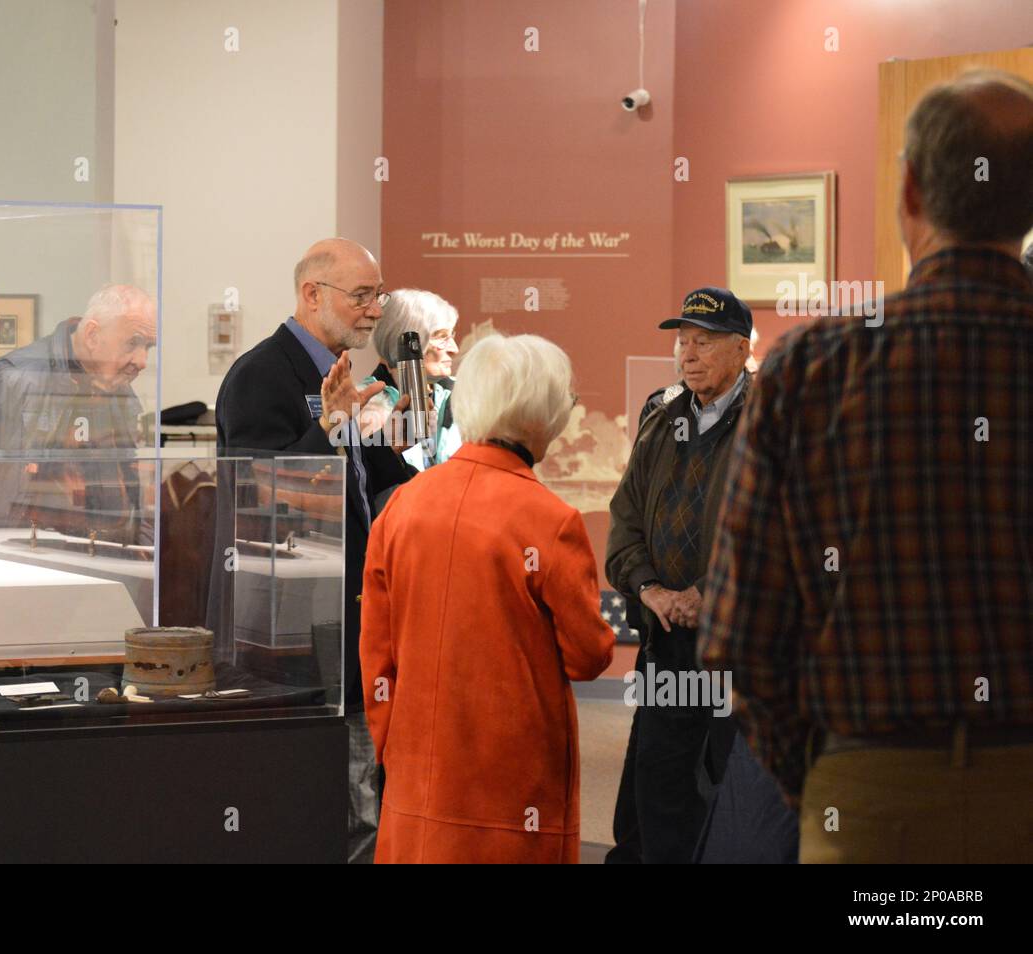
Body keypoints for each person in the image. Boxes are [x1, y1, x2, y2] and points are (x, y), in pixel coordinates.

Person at [700, 69, 1033, 864]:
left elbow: (740, 632)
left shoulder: (813, 366)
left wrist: (823, 776)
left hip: (871, 797)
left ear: (910, 190)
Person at [360, 332, 614, 863]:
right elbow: (588, 657)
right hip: (512, 777)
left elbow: (376, 653)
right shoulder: (551, 520)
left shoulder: (403, 506)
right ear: (541, 414)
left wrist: (392, 747)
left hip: (418, 770)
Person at [214, 237, 414, 863]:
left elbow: (381, 481)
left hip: (353, 620)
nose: (374, 310)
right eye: (361, 295)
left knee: (361, 795)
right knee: (323, 805)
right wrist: (325, 428)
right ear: (311, 294)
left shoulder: (339, 378)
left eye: (377, 295)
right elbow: (264, 497)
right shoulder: (260, 376)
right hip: (293, 636)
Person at [604, 287, 753, 864]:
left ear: (741, 348)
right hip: (667, 643)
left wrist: (707, 595)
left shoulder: (774, 417)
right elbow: (625, 522)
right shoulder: (660, 416)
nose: (688, 354)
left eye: (705, 342)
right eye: (682, 341)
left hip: (739, 648)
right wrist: (651, 588)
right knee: (659, 786)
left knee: (733, 789)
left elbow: (782, 534)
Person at [0, 284, 156, 543]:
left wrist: (143, 553)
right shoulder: (16, 377)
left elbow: (133, 485)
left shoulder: (118, 391)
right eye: (133, 343)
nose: (142, 361)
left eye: (149, 347)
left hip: (103, 560)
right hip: (26, 562)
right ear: (92, 335)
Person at [359, 289, 463, 477]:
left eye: (452, 335)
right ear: (407, 343)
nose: (454, 349)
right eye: (441, 337)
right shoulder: (363, 404)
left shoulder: (465, 398)